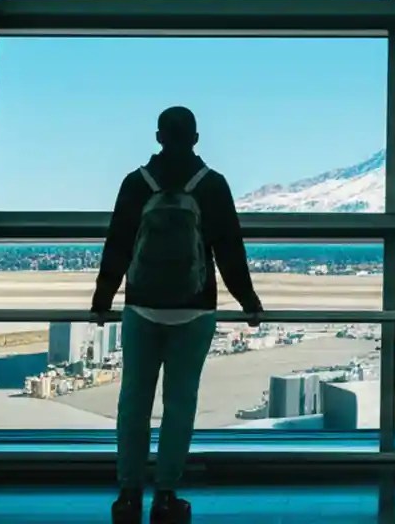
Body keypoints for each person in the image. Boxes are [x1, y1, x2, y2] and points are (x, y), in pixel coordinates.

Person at [92, 106, 263, 524]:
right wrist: (248, 302)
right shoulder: (213, 186)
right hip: (194, 309)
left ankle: (127, 494)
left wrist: (102, 300)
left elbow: (117, 246)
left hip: (141, 307)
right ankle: (166, 495)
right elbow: (229, 251)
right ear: (196, 138)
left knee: (133, 402)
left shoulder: (136, 184)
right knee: (179, 403)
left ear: (158, 137)